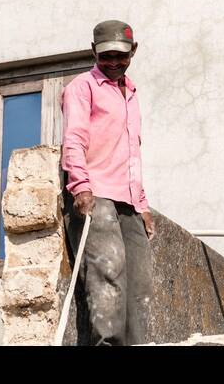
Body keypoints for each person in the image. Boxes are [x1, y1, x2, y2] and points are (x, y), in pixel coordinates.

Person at [61, 19, 155, 345]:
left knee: (140, 285)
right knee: (108, 273)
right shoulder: (82, 87)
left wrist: (142, 205)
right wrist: (81, 186)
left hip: (127, 200)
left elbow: (132, 152)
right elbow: (73, 139)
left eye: (121, 56)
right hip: (96, 193)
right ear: (93, 52)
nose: (113, 63)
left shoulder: (131, 93)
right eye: (105, 57)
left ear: (133, 51)